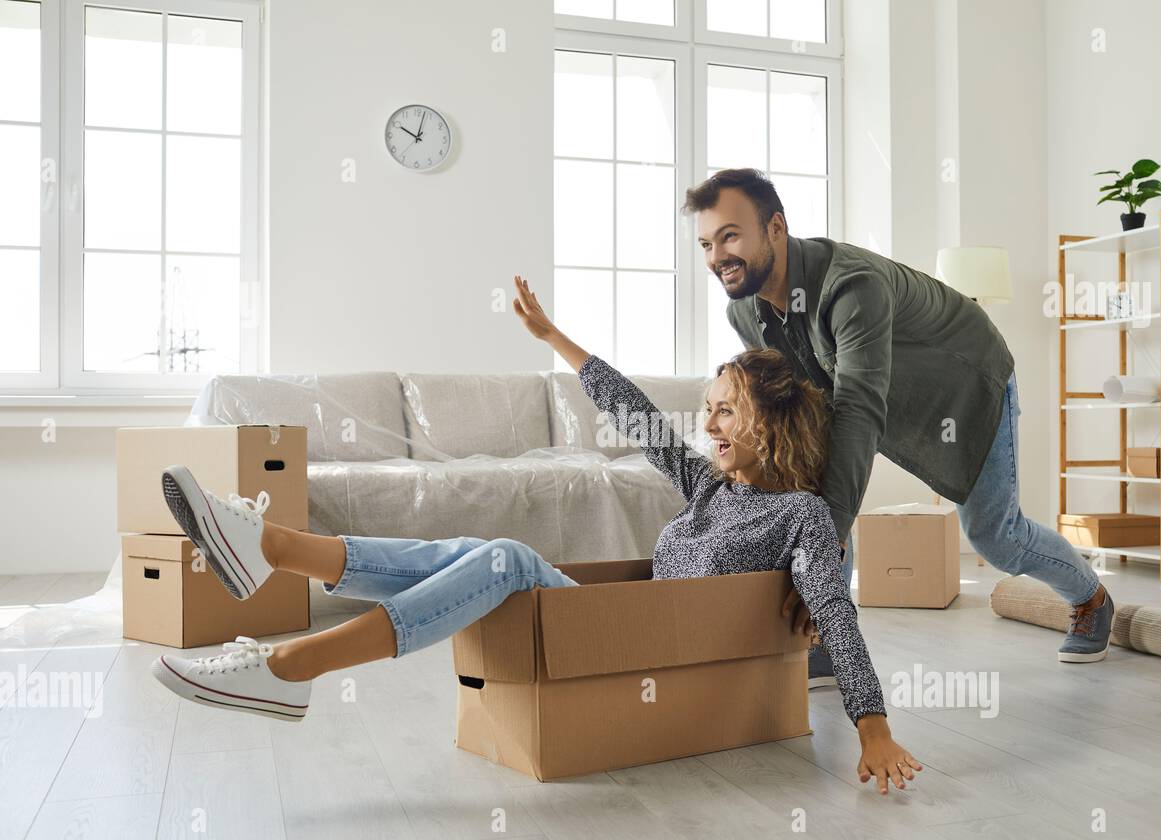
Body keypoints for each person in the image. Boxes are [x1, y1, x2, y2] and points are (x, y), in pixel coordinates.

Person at [149, 275, 924, 794]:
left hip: (643, 654)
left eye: (727, 409)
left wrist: (874, 729)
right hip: (621, 637)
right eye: (712, 407)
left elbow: (839, 614)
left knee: (506, 556)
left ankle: (286, 657)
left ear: (773, 425)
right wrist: (554, 336)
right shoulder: (708, 487)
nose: (711, 422)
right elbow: (636, 415)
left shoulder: (801, 516)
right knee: (475, 555)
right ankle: (276, 555)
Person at [684, 168, 1115, 691]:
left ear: (775, 228)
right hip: (882, 397)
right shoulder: (745, 311)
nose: (716, 257)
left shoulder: (850, 287)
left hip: (967, 386)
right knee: (816, 504)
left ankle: (1091, 598)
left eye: (730, 236)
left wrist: (828, 532)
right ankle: (824, 640)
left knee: (995, 538)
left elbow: (859, 411)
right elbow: (798, 409)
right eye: (707, 243)